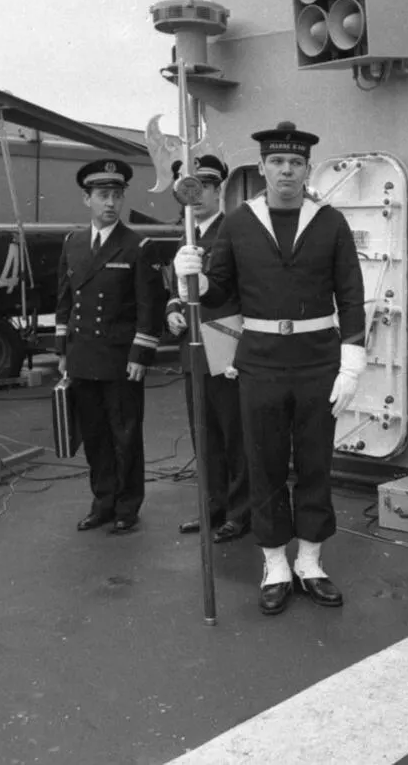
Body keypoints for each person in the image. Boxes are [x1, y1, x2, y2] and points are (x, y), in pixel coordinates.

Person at [172, 121, 366, 616]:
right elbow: (219, 291)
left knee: (316, 462)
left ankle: (311, 562)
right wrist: (192, 277)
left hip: (317, 360)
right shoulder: (240, 223)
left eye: (296, 163)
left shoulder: (330, 222)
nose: (286, 171)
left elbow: (351, 296)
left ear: (307, 169)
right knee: (265, 462)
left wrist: (351, 364)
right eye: (277, 162)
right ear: (262, 167)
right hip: (260, 361)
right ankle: (275, 564)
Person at [55, 159, 164, 534]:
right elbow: (65, 300)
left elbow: (150, 307)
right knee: (95, 436)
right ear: (87, 199)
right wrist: (62, 352)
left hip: (120, 359)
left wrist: (141, 353)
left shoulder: (137, 246)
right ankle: (102, 503)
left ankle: (127, 507)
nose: (111, 203)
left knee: (125, 435)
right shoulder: (73, 243)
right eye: (103, 195)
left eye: (117, 195)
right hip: (83, 355)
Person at [165, 155, 251, 544]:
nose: (196, 196)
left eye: (205, 187)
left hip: (225, 346)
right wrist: (172, 310)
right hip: (194, 350)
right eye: (190, 189)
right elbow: (175, 288)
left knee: (235, 435)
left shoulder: (234, 232)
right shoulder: (184, 235)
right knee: (204, 436)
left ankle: (240, 511)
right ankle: (213, 506)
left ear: (219, 190)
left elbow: (240, 290)